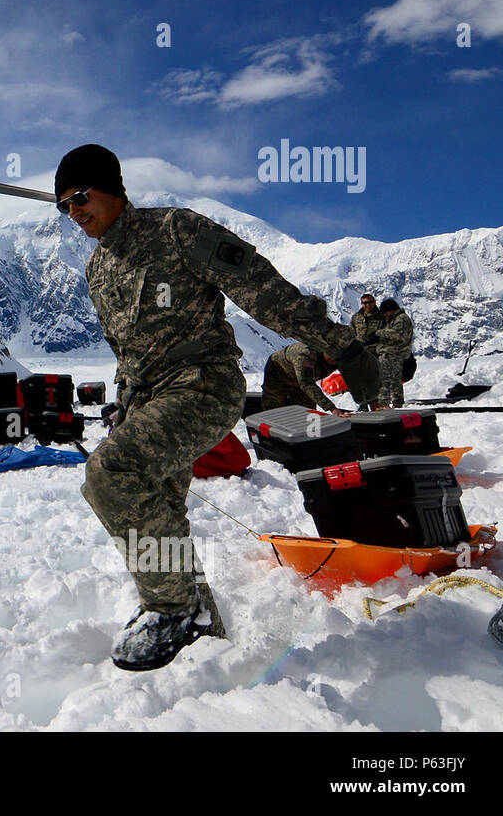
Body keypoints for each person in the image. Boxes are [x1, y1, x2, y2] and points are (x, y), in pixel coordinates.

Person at [57, 143, 380, 672]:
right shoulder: (98, 269)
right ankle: (205, 631)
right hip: (149, 397)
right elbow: (127, 349)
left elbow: (261, 289)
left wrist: (339, 344)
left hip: (202, 384)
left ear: (112, 188)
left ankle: (171, 607)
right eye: (63, 205)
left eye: (80, 196)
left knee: (111, 475)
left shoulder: (177, 230)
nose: (73, 211)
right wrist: (123, 406)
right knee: (160, 506)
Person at [260, 341, 350, 417]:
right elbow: (307, 384)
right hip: (278, 375)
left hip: (301, 381)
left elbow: (350, 376)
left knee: (308, 411)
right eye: (332, 358)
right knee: (273, 413)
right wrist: (332, 408)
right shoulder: (306, 355)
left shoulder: (338, 358)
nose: (334, 361)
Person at [372, 298, 414, 407]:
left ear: (391, 310)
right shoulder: (394, 319)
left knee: (386, 378)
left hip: (395, 353)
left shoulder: (401, 319)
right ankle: (395, 402)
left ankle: (386, 403)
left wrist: (378, 333)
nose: (385, 315)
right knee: (393, 378)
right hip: (392, 352)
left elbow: (398, 334)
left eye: (385, 312)